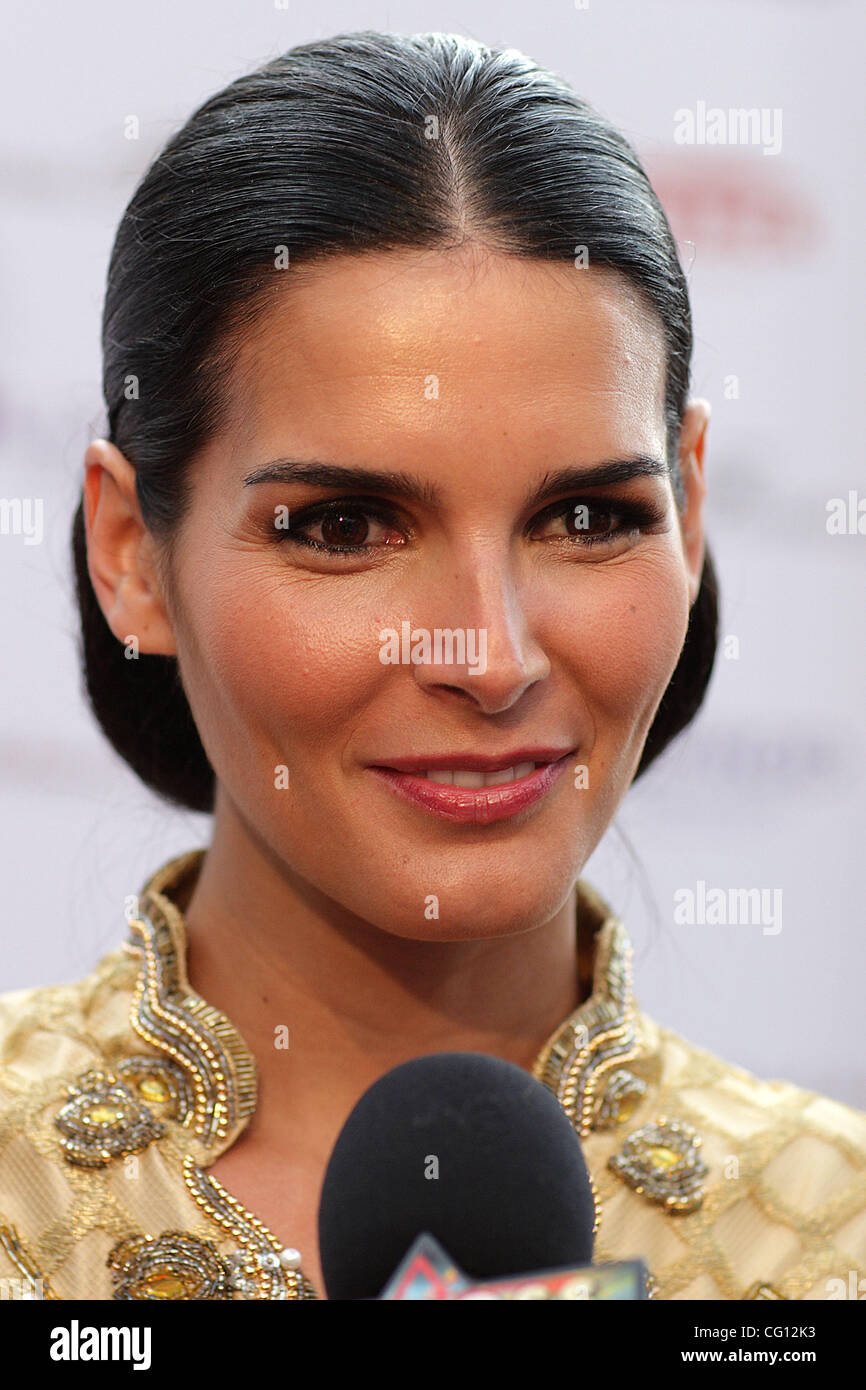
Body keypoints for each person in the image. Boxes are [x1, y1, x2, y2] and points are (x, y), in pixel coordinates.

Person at [1, 30, 863, 1302]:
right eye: (344, 527)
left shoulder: (828, 1234)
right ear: (131, 551)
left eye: (585, 518)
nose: (490, 656)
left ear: (688, 511)